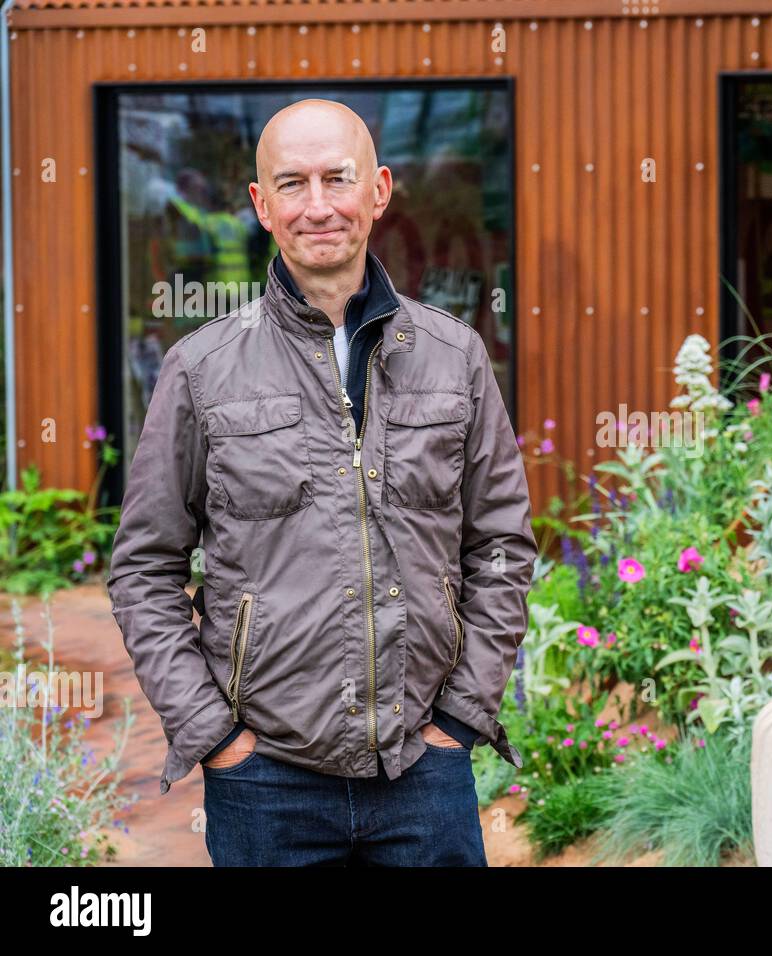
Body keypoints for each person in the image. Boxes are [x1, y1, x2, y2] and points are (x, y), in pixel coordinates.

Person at [105, 98, 538, 866]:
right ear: (261, 205)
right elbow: (144, 570)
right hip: (265, 784)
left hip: (422, 775)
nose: (317, 206)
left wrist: (460, 720)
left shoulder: (455, 357)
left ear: (378, 190)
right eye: (292, 184)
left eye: (337, 179)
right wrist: (215, 736)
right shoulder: (201, 370)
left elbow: (501, 543)